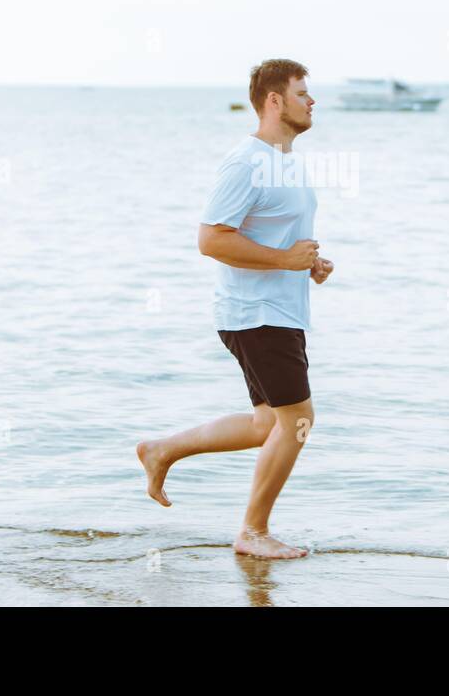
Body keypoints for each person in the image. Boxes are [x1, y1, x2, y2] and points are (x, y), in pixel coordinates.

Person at [136, 59, 334, 559]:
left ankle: (163, 449)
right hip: (257, 312)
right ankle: (252, 531)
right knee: (298, 422)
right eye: (302, 93)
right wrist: (284, 259)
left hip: (278, 310)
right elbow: (211, 239)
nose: (312, 102)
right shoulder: (245, 161)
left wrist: (306, 261)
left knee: (267, 424)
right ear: (274, 101)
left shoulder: (286, 161)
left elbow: (268, 235)